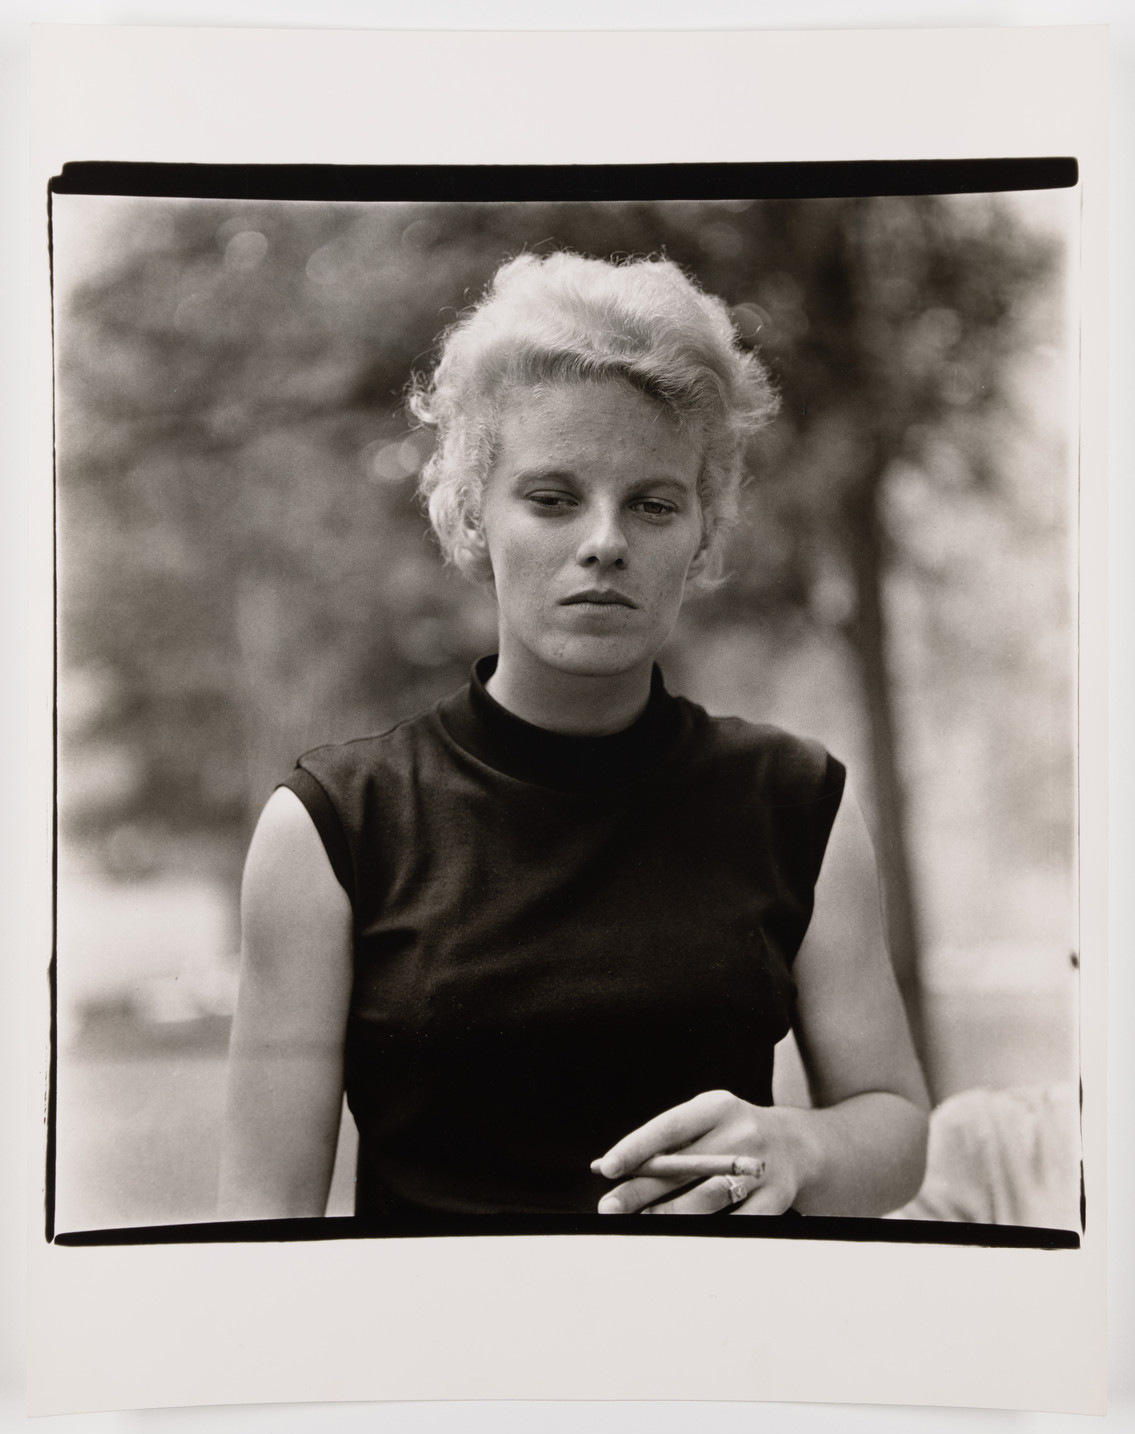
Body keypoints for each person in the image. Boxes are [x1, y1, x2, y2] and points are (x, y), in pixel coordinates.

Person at [218, 250, 929, 1219]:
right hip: (433, 1366)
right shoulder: (333, 829)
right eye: (553, 498)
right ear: (475, 515)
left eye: (652, 502)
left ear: (705, 532)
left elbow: (893, 1126)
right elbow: (260, 1224)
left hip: (716, 1362)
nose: (605, 541)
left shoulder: (798, 802)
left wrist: (800, 1145)